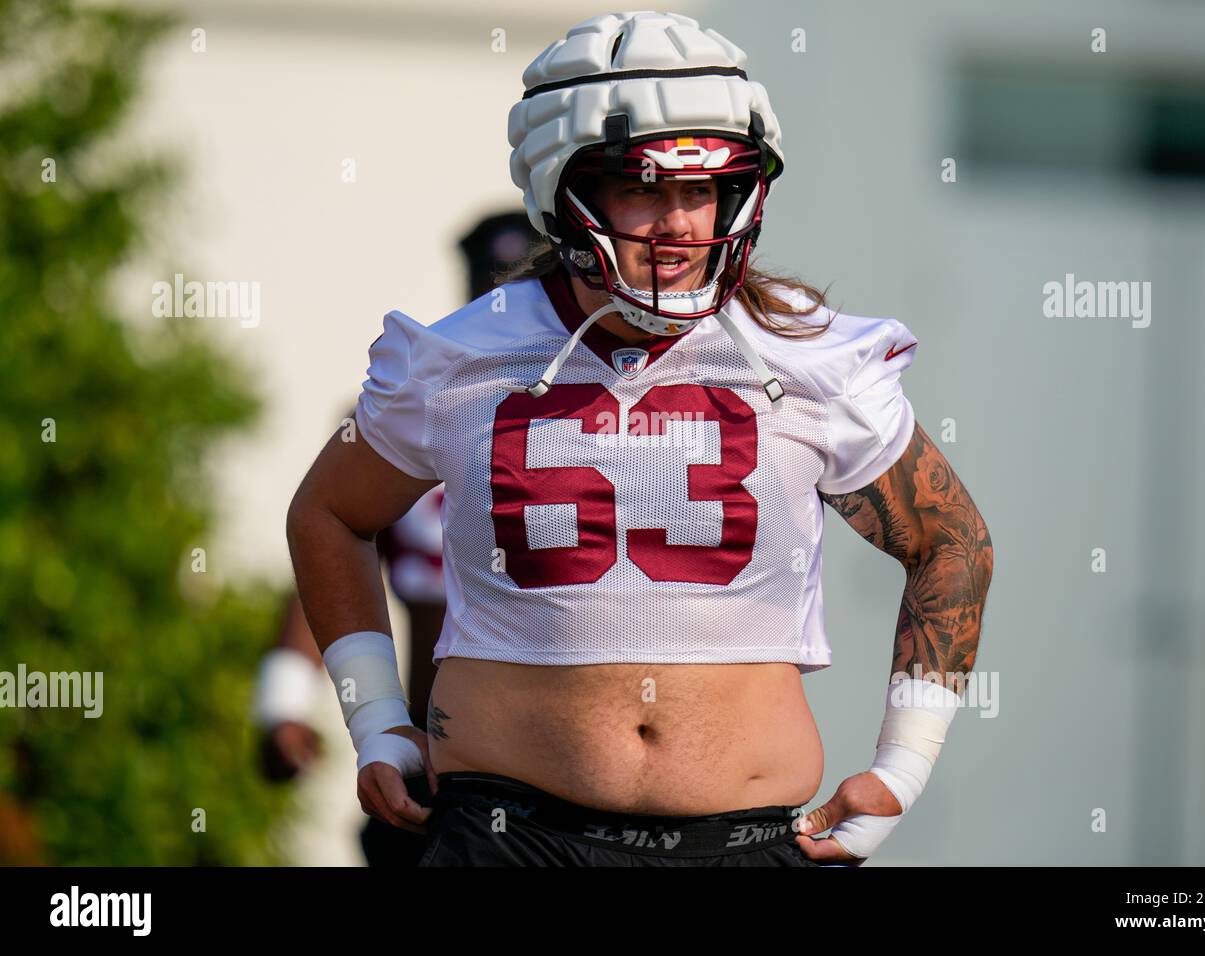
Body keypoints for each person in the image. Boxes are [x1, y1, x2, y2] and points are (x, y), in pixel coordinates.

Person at [286, 11, 993, 867]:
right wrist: (377, 723)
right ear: (564, 188)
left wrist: (905, 762)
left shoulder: (810, 360)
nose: (683, 224)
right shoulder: (458, 360)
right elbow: (328, 513)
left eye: (702, 191)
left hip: (743, 841)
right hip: (510, 837)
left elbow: (950, 540)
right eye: (645, 189)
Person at [254, 214, 537, 865]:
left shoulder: (615, 411)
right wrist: (286, 700)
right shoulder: (412, 412)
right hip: (433, 764)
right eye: (489, 288)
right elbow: (332, 544)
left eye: (523, 287)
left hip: (565, 779)